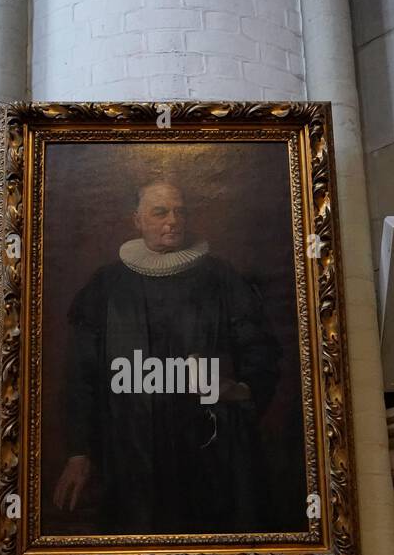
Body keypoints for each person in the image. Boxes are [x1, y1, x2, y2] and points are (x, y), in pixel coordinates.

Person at [54, 179, 281, 535]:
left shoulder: (220, 278)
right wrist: (79, 451)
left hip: (210, 450)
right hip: (131, 450)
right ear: (137, 220)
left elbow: (261, 351)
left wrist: (238, 388)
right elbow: (81, 377)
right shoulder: (107, 285)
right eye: (160, 212)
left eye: (180, 212)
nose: (172, 221)